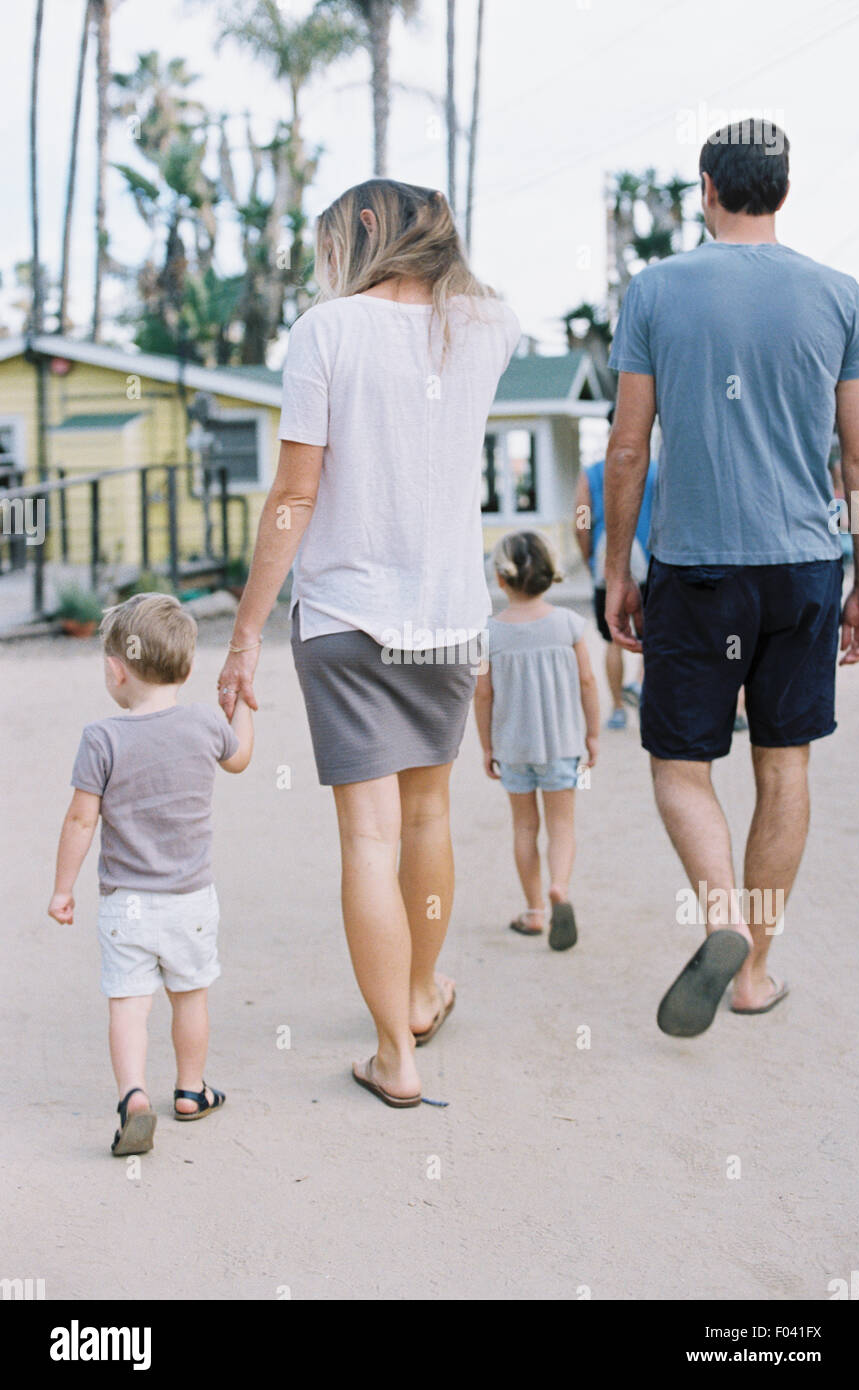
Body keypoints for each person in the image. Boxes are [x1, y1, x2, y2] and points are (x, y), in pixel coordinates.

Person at [217, 179, 520, 1108]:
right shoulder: (485, 326)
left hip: (345, 614)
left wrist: (243, 634)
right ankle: (420, 996)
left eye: (330, 242)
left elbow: (293, 496)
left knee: (368, 836)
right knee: (428, 819)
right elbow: (466, 298)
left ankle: (395, 1054)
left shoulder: (325, 331)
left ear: (360, 228)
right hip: (446, 616)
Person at [604, 118, 859, 1037]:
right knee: (783, 763)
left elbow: (628, 447)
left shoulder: (655, 290)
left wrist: (617, 569)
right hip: (804, 565)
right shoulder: (840, 294)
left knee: (681, 765)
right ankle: (753, 971)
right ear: (782, 191)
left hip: (697, 568)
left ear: (707, 189)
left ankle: (720, 914)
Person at [48, 594, 254, 1155]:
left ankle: (133, 1096)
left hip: (127, 905)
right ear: (186, 666)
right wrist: (243, 705)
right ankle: (190, 1090)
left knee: (129, 1004)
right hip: (191, 900)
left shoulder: (102, 738)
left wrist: (63, 889)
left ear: (117, 671)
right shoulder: (205, 723)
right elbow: (239, 758)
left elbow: (80, 820)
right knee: (190, 998)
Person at [474, 531, 599, 950]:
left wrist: (487, 746)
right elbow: (587, 681)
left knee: (524, 827)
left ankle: (533, 912)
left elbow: (483, 694)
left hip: (513, 749)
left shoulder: (489, 633)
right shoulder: (568, 624)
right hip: (563, 746)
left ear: (501, 578)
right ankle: (559, 886)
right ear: (549, 574)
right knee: (561, 825)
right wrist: (592, 734)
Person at [575, 406, 656, 728]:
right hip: (649, 561)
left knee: (613, 637)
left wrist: (589, 558)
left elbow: (581, 520)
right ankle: (641, 685)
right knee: (651, 633)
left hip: (606, 562)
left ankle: (618, 709)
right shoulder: (655, 470)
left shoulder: (592, 473)